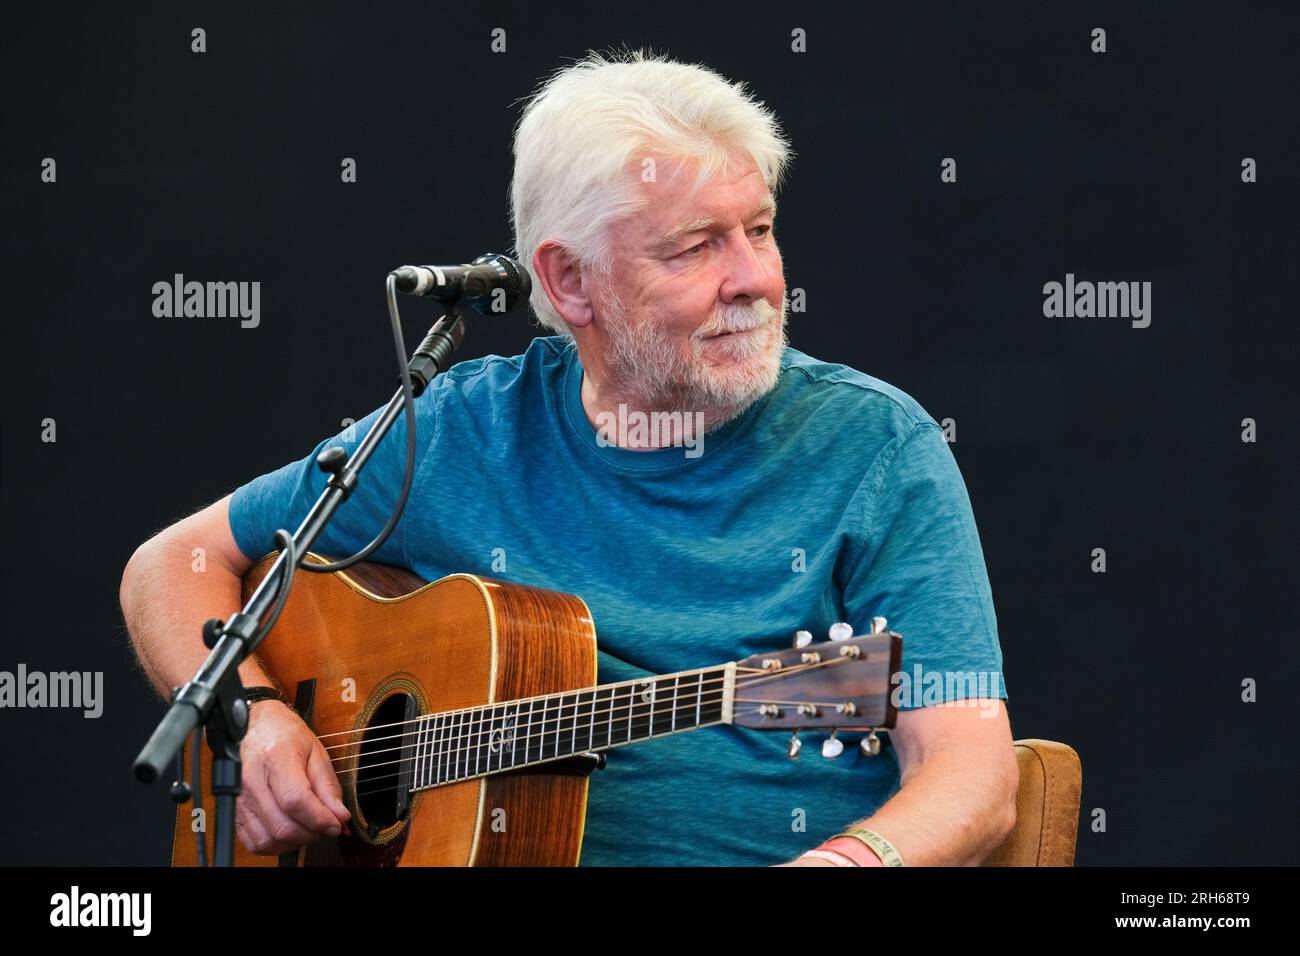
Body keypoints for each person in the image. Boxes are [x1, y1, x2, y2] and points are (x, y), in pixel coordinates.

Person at [120, 48, 1018, 867]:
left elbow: (973, 771)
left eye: (761, 228)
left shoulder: (875, 449)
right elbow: (170, 566)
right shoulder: (459, 427)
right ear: (568, 281)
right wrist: (261, 717)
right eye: (696, 247)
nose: (754, 278)